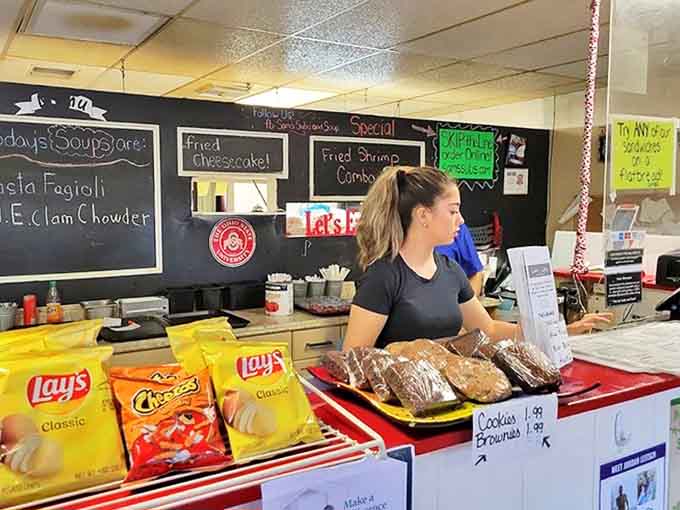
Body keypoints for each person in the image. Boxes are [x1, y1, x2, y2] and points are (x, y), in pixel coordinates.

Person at [343, 166, 611, 350]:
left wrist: (559, 331)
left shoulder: (450, 271)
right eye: (452, 211)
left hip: (445, 396)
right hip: (397, 409)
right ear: (423, 215)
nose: (461, 220)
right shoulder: (384, 276)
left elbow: (490, 330)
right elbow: (353, 356)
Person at [435, 223, 484, 296]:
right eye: (452, 212)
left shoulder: (458, 228)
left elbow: (475, 274)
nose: (461, 219)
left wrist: (465, 305)